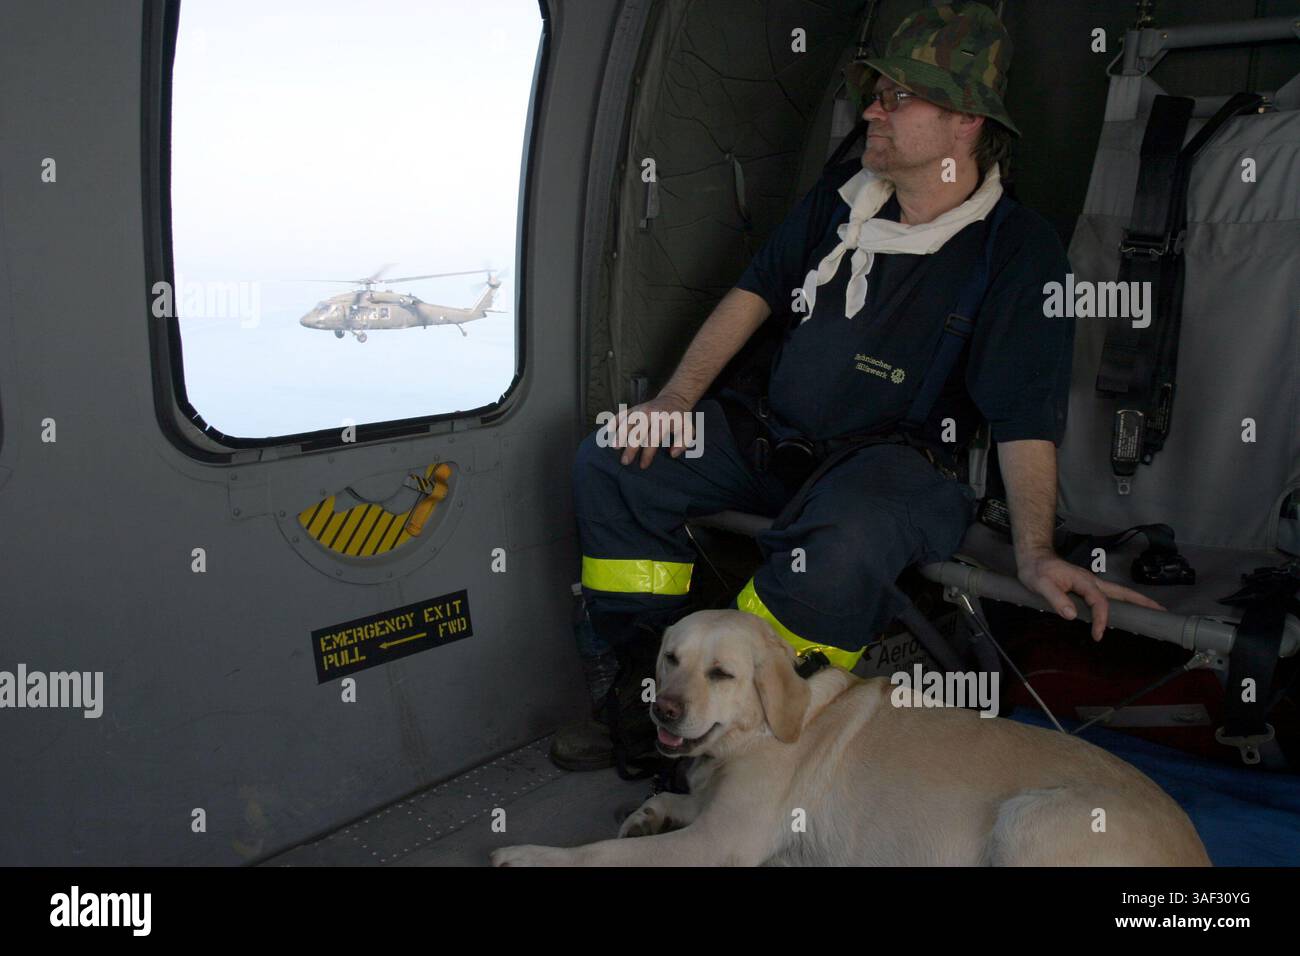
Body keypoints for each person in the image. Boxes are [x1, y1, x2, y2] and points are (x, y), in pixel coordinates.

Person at [552, 2, 1161, 774]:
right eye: (874, 91)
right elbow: (755, 293)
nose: (872, 108)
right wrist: (674, 402)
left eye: (897, 97)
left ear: (966, 120)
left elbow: (1022, 416)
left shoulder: (1017, 252)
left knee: (843, 549)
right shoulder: (843, 196)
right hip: (770, 437)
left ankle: (740, 744)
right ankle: (648, 695)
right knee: (612, 461)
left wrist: (1036, 551)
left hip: (895, 469)